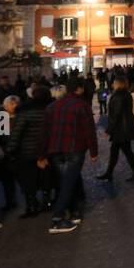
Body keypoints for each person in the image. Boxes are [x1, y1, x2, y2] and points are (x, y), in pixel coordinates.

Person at [40, 78, 99, 234]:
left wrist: (42, 154)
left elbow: (44, 133)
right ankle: (57, 219)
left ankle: (74, 211)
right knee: (68, 183)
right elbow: (89, 130)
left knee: (69, 180)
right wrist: (93, 151)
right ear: (79, 89)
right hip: (74, 149)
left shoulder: (51, 107)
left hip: (55, 150)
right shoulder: (82, 106)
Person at [7, 86, 51, 218]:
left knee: (28, 179)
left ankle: (31, 205)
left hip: (27, 151)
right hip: (45, 150)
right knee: (45, 177)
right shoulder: (50, 110)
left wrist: (10, 149)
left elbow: (17, 134)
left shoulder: (24, 112)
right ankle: (47, 201)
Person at [99, 76, 134, 182]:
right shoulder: (126, 94)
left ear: (118, 84)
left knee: (124, 151)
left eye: (114, 83)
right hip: (124, 127)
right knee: (118, 151)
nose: (113, 84)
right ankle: (110, 173)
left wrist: (108, 130)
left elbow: (116, 115)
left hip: (121, 129)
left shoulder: (119, 96)